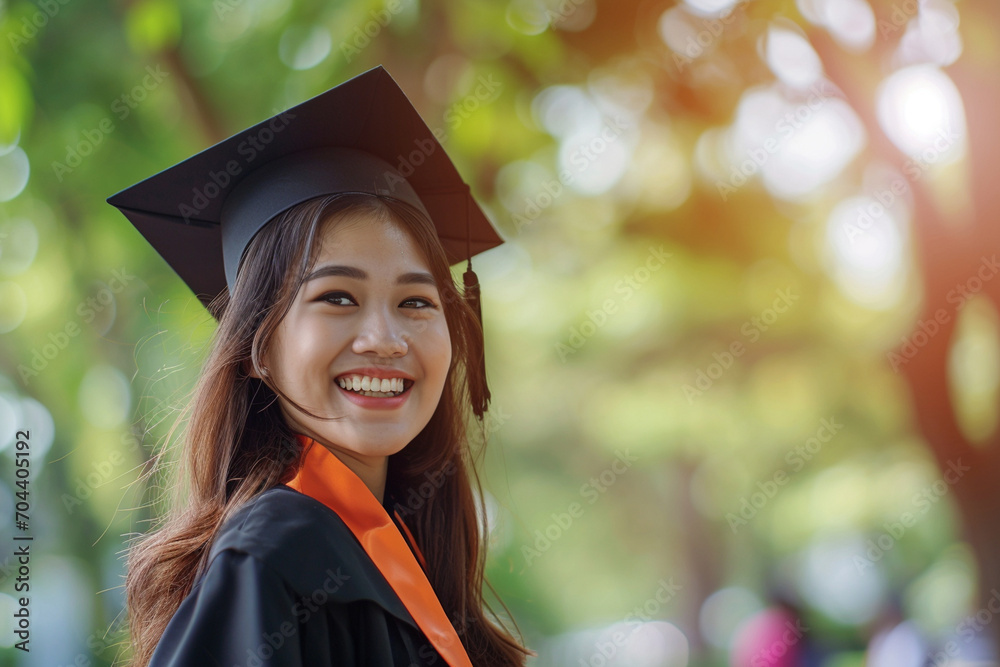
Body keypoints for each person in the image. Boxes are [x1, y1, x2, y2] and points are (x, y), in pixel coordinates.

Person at [107, 65, 535, 666]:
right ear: (257, 347)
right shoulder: (269, 559)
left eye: (416, 301)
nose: (385, 339)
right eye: (337, 297)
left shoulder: (412, 558)